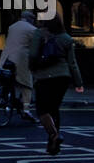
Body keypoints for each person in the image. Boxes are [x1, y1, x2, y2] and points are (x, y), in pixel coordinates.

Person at [30, 15, 84, 155]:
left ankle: (54, 135)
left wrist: (32, 68)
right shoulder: (66, 38)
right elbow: (72, 63)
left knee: (42, 110)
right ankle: (53, 146)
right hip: (63, 77)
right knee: (54, 109)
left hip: (44, 77)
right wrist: (78, 82)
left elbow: (33, 55)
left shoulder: (39, 33)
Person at [0, 10, 39, 121]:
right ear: (31, 19)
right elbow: (36, 45)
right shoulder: (33, 29)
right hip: (20, 60)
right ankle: (26, 110)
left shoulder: (12, 27)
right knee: (27, 84)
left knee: (7, 79)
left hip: (5, 57)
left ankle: (3, 97)